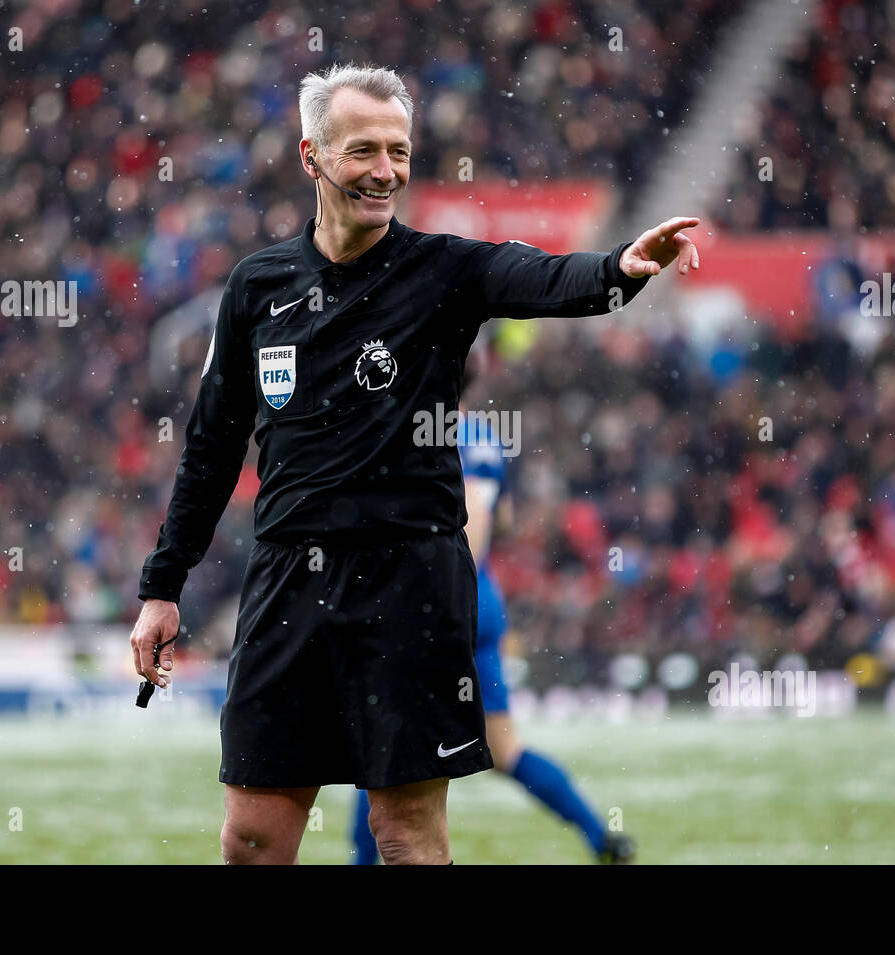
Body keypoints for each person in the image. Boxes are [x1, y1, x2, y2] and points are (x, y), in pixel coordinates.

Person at [129, 62, 701, 865]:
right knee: (252, 839)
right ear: (311, 157)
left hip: (409, 586)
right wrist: (163, 585)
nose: (386, 170)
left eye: (399, 150)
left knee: (406, 838)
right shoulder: (257, 287)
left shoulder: (443, 270)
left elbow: (538, 277)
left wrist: (616, 272)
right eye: (364, 149)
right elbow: (212, 446)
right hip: (287, 583)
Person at [350, 358, 638, 864]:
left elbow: (478, 519)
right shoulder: (483, 436)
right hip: (483, 602)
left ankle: (363, 861)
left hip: (436, 605)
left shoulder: (415, 430)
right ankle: (600, 836)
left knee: (384, 743)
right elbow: (497, 514)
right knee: (504, 749)